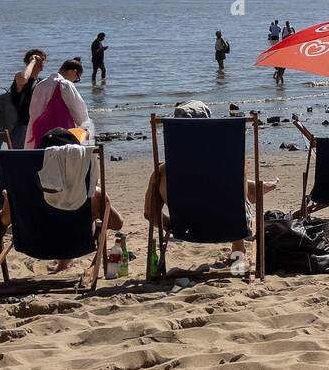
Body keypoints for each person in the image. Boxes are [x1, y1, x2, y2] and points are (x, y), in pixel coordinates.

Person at [143, 101, 278, 268]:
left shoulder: (161, 173)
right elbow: (239, 199)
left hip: (186, 226)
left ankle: (257, 188)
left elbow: (150, 213)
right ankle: (239, 250)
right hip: (228, 223)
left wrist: (172, 224)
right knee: (238, 194)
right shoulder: (230, 163)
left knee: (232, 189)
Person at [36, 127, 124, 273]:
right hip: (78, 243)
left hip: (36, 245)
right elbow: (117, 224)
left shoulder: (24, 190)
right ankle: (66, 259)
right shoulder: (92, 195)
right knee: (97, 219)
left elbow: (5, 220)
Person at [24, 58, 93, 149]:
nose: (75, 81)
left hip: (39, 131)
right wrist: (87, 131)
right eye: (77, 78)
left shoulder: (41, 84)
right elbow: (78, 111)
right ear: (74, 71)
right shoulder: (65, 84)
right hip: (61, 134)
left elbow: (33, 113)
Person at [8, 48, 46, 149]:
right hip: (22, 127)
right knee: (21, 160)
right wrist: (33, 61)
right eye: (38, 59)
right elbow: (24, 78)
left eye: (42, 59)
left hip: (38, 127)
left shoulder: (41, 82)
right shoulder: (20, 78)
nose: (41, 61)